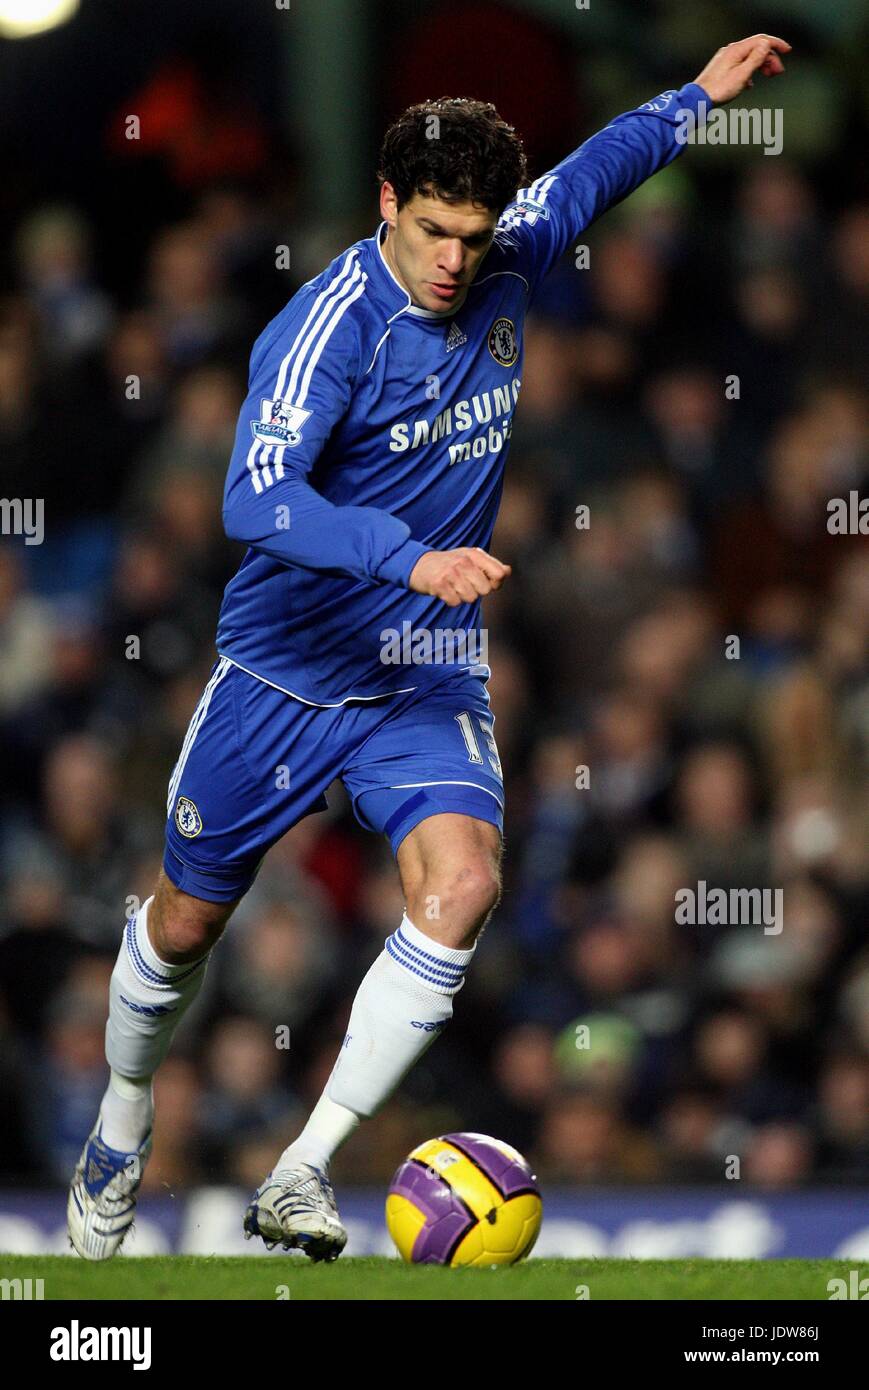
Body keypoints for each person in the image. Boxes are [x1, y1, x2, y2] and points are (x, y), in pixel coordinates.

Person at [68, 33, 790, 1262]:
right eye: (435, 231)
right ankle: (123, 1117)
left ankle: (302, 1166)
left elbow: (595, 169)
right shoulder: (328, 324)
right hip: (284, 666)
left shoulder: (508, 247)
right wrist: (406, 556)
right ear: (388, 203)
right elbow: (254, 496)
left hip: (420, 665)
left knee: (461, 888)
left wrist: (695, 100)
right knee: (184, 926)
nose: (459, 258)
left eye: (476, 232)